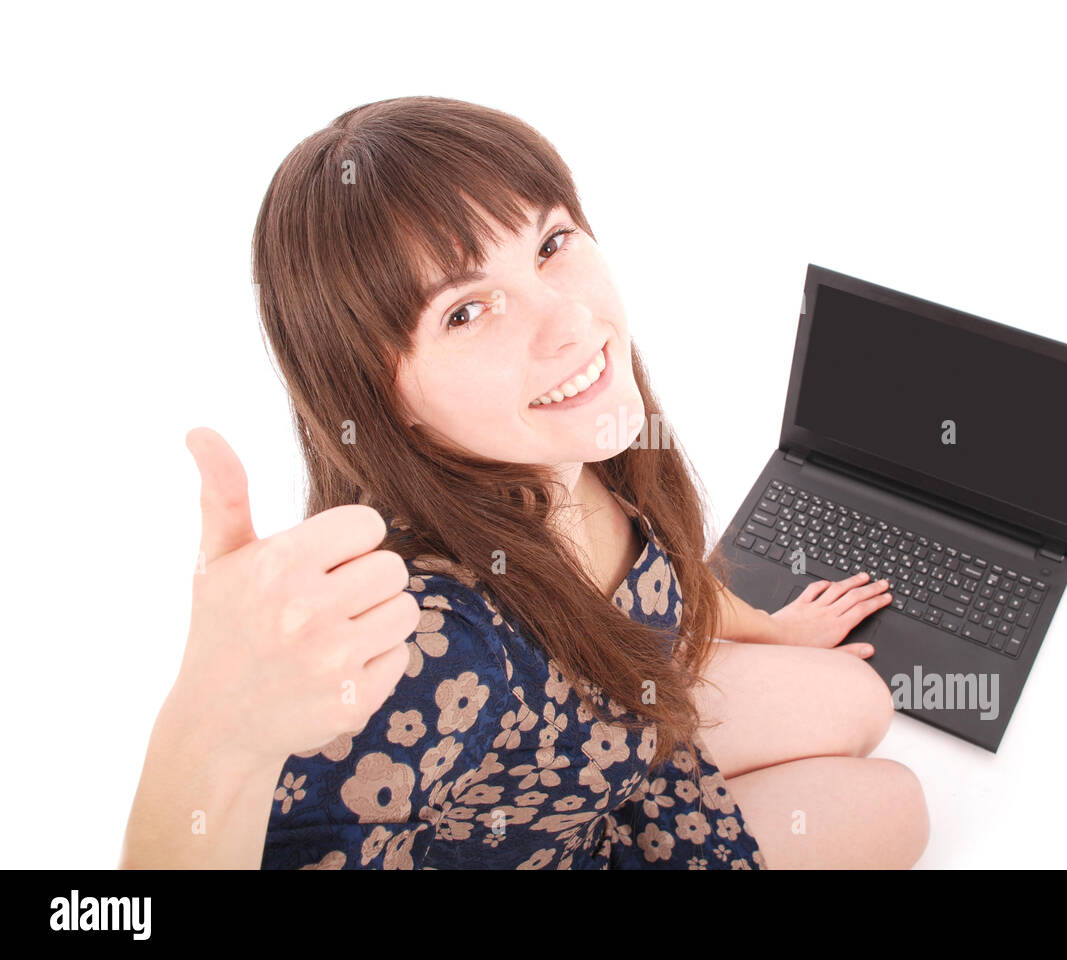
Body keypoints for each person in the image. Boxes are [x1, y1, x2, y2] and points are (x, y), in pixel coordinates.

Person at [120, 96, 929, 870]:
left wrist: (773, 627)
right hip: (556, 842)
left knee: (860, 699)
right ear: (379, 395)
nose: (568, 322)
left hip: (610, 761)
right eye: (466, 312)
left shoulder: (587, 443)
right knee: (899, 808)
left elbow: (668, 584)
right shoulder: (430, 642)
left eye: (551, 245)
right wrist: (207, 732)